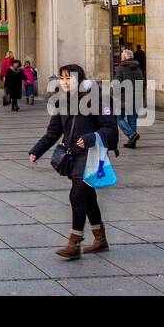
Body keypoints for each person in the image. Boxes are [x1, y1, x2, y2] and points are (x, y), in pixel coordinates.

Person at [28, 63, 119, 258]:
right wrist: (37, 150)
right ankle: (100, 239)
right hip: (73, 154)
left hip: (91, 154)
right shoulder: (62, 100)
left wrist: (89, 138)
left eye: (69, 78)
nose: (65, 82)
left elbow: (111, 129)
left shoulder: (98, 98)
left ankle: (74, 242)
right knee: (87, 196)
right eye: (62, 78)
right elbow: (54, 131)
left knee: (77, 195)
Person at [112, 49, 144, 148]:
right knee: (132, 120)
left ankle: (132, 135)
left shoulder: (120, 68)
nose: (121, 58)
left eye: (122, 56)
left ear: (125, 58)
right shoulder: (138, 69)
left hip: (123, 99)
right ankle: (132, 142)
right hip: (136, 99)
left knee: (119, 118)